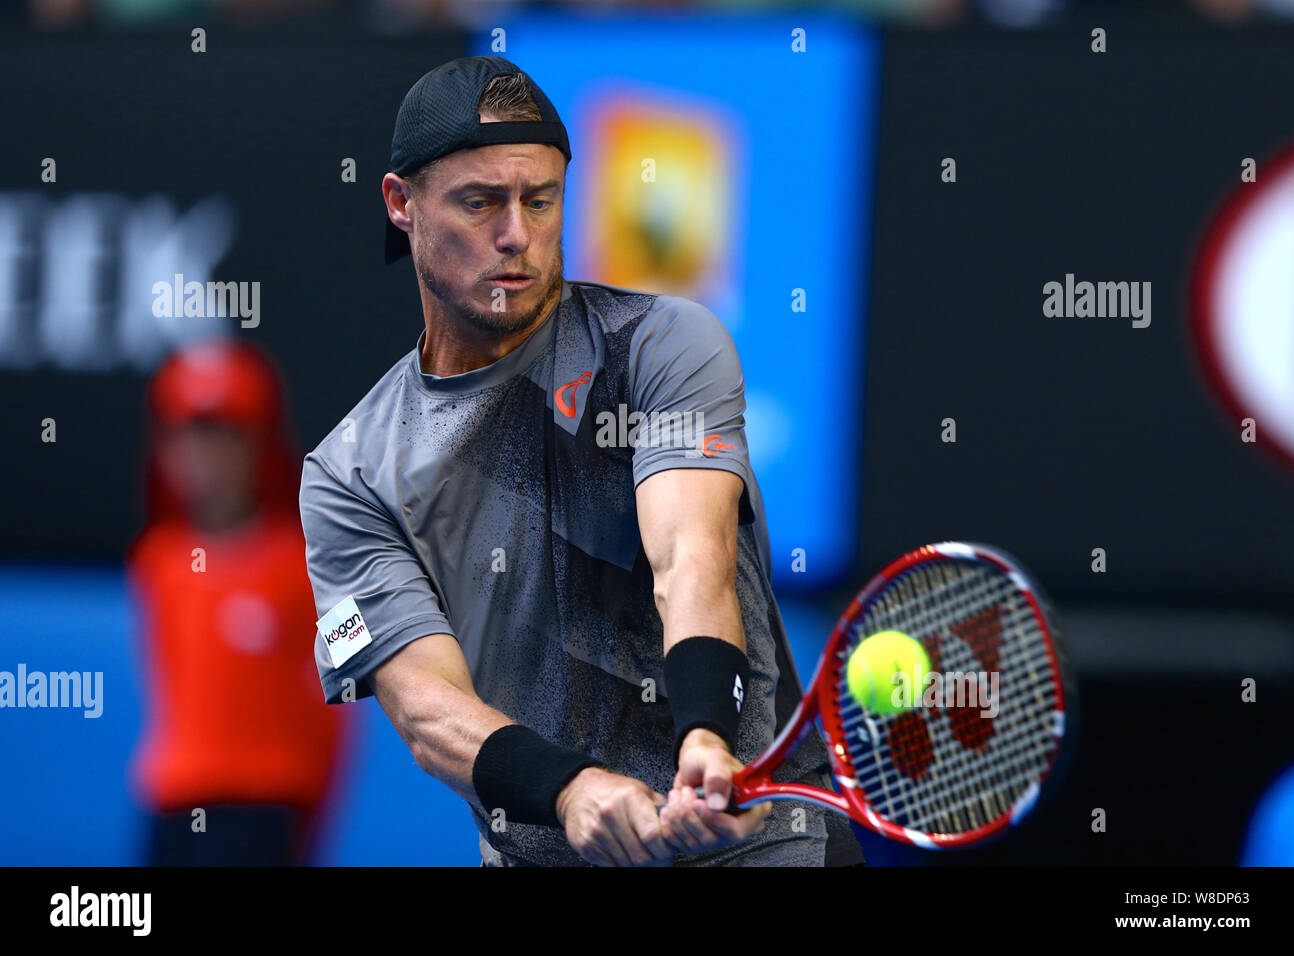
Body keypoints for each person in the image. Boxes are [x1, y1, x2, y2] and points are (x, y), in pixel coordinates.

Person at [299, 55, 865, 867]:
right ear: (401, 203)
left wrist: (707, 731)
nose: (516, 236)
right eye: (480, 202)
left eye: (541, 199)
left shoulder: (662, 343)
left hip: (766, 852)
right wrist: (571, 789)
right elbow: (426, 706)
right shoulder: (349, 473)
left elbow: (689, 559)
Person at [129, 340, 350, 865]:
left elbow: (354, 677)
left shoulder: (317, 564)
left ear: (261, 445)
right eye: (187, 438)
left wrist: (307, 806)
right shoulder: (156, 563)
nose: (203, 460)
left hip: (264, 815)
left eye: (226, 438)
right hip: (170, 812)